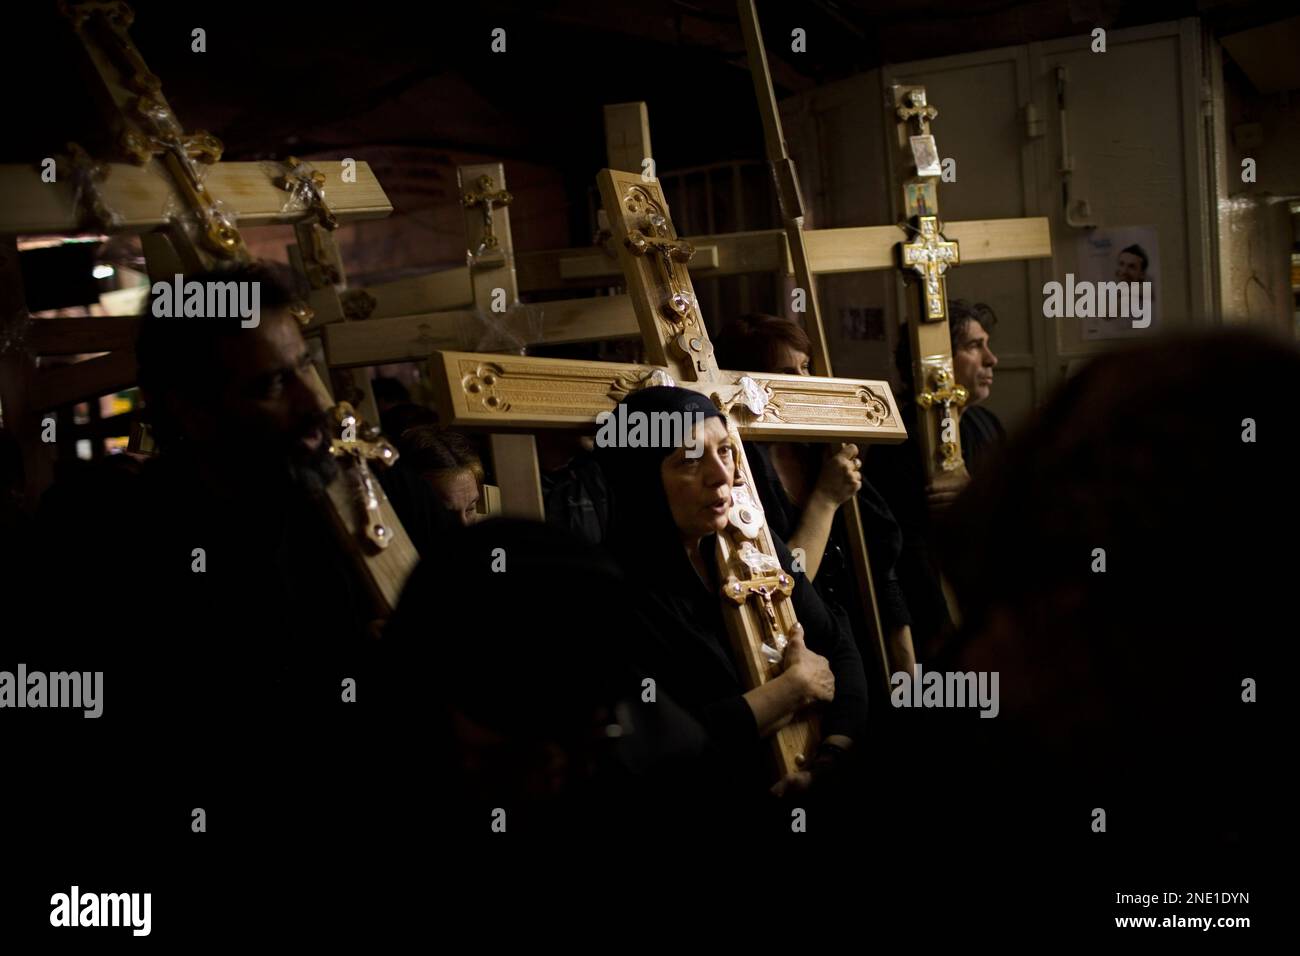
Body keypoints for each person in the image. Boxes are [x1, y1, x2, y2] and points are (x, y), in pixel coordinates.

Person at [593, 386, 870, 808]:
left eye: (725, 451)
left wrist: (831, 756)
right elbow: (654, 747)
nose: (722, 474)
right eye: (689, 459)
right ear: (642, 480)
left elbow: (838, 646)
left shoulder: (750, 540)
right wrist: (788, 691)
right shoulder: (614, 592)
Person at [713, 312, 915, 679]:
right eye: (787, 375)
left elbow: (882, 554)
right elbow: (782, 587)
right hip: (800, 652)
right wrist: (824, 499)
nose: (805, 384)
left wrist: (905, 657)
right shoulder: (739, 470)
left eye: (806, 368)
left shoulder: (823, 449)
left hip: (866, 641)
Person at [866, 299, 1004, 660]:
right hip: (928, 622)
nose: (992, 359)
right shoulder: (897, 439)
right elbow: (893, 552)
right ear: (937, 357)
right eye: (975, 346)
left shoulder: (987, 426)